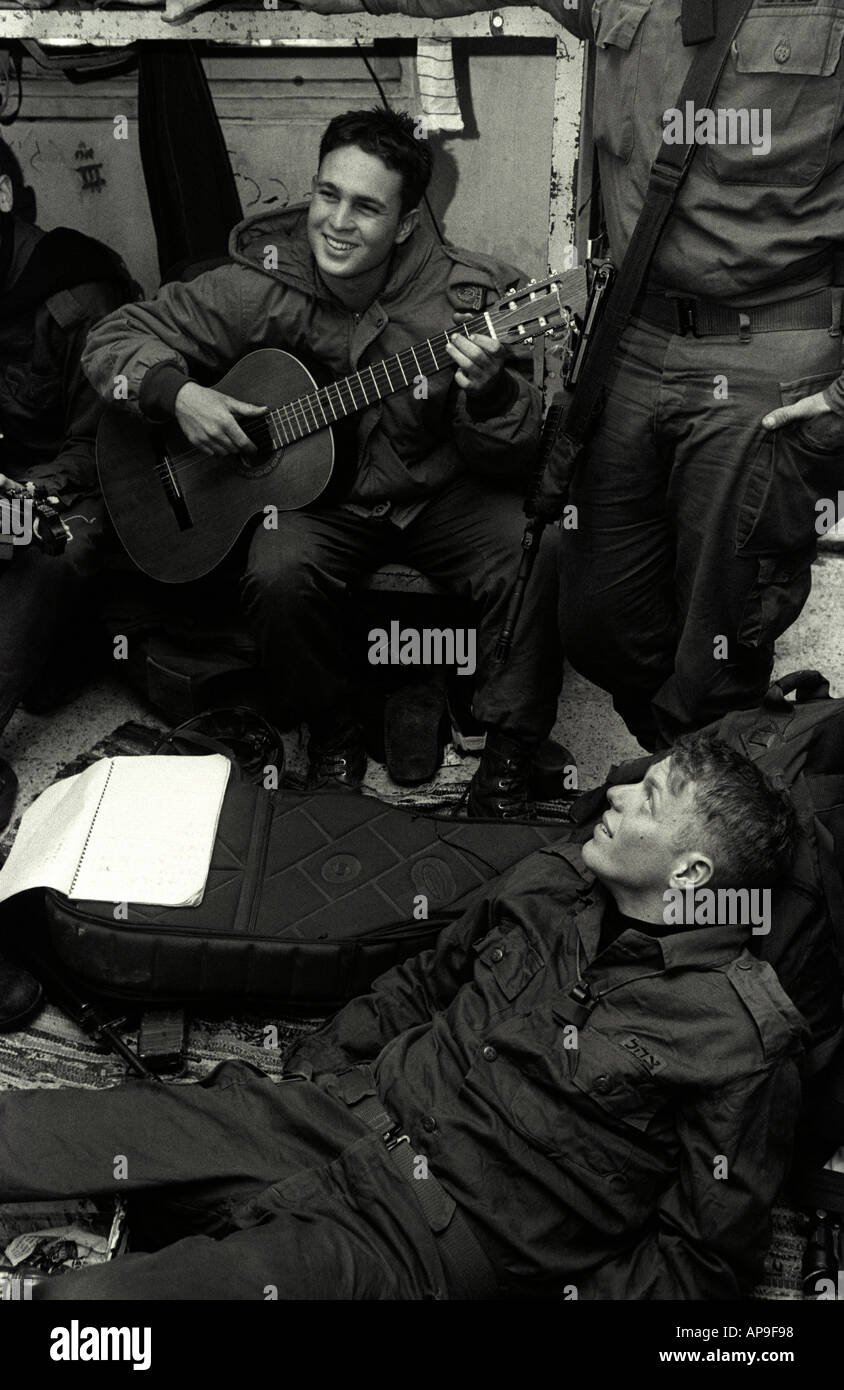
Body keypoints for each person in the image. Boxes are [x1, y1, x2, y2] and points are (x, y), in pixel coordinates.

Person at [0, 733, 806, 1300]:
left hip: (427, 1241)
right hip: (334, 1115)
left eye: (648, 799)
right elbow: (425, 980)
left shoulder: (740, 1043)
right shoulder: (555, 877)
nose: (617, 791)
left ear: (693, 872)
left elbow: (697, 1266)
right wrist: (319, 1069)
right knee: (47, 1133)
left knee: (95, 1311)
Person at [321, 0, 844, 752]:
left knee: (723, 629)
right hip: (634, 336)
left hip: (773, 347)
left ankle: (698, 817)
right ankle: (696, 768)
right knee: (598, 620)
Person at [82, 107, 563, 816]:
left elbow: (520, 457)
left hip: (438, 496)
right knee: (277, 569)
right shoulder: (265, 282)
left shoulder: (474, 300)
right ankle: (333, 728)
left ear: (404, 224)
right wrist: (177, 394)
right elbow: (115, 335)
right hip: (321, 503)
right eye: (328, 195)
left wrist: (489, 395)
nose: (337, 222)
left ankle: (510, 754)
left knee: (538, 545)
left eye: (366, 207)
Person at [0, 138, 137, 1030]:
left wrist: (20, 495)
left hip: (71, 501)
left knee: (41, 548)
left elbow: (103, 454)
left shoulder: (78, 292)